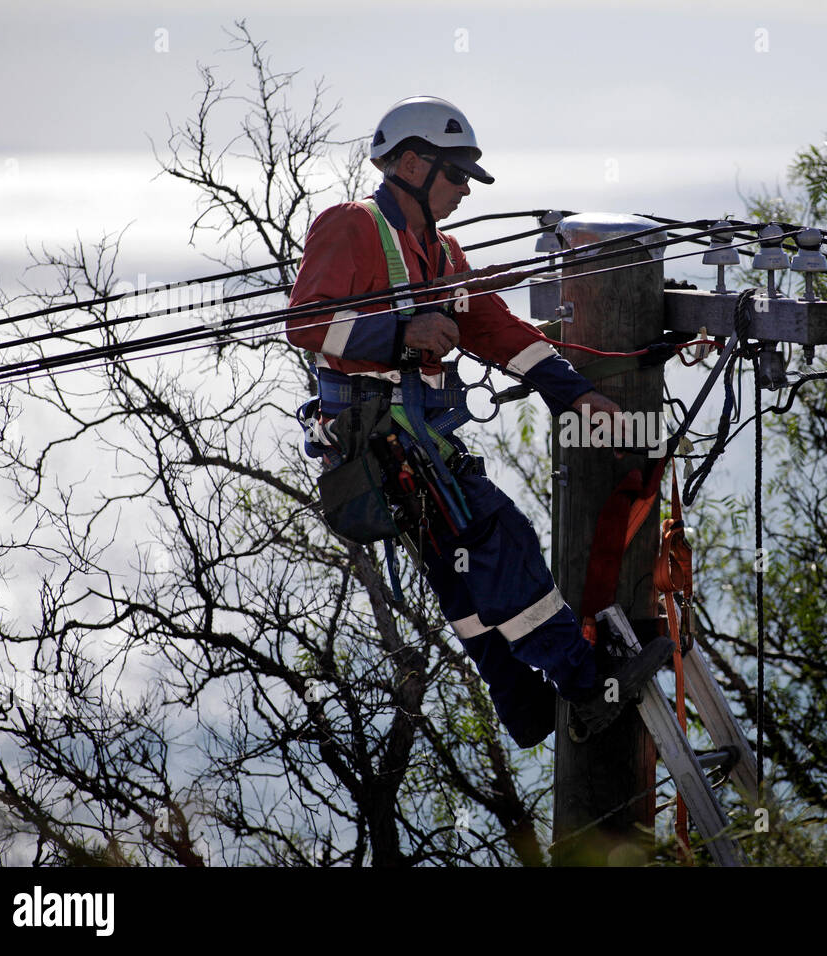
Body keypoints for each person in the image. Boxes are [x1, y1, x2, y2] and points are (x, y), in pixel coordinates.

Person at [285, 95, 671, 747]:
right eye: (456, 174)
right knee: (502, 542)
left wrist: (569, 392)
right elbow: (307, 320)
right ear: (410, 163)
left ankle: (521, 702)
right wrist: (404, 333)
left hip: (412, 443)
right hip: (388, 444)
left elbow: (492, 326)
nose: (466, 189)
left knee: (464, 572)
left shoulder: (443, 254)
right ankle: (583, 682)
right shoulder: (351, 225)